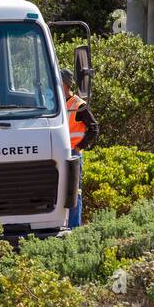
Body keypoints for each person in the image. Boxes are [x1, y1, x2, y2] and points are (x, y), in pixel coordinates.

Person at [61, 67, 98, 228]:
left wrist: (79, 147)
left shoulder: (79, 104)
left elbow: (94, 128)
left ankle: (74, 227)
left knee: (75, 192)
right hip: (58, 152)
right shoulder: (54, 102)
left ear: (64, 84)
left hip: (73, 155)